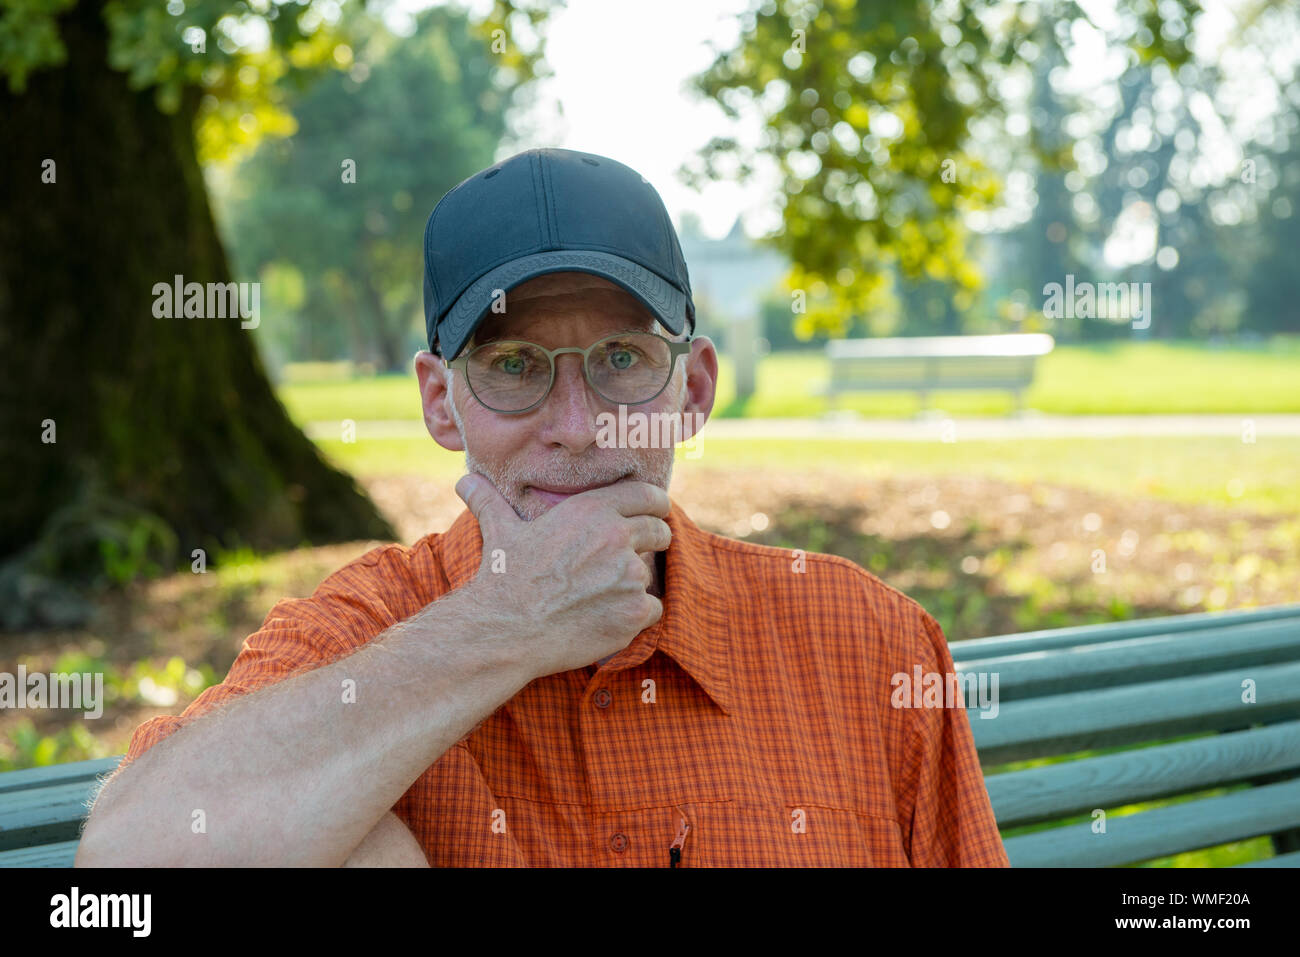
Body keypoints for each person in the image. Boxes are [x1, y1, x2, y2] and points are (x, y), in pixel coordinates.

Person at [76, 148, 1008, 867]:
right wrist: (505, 620)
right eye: (514, 367)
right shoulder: (365, 630)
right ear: (442, 402)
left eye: (622, 360)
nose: (577, 425)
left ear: (694, 387)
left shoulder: (868, 640)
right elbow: (124, 861)